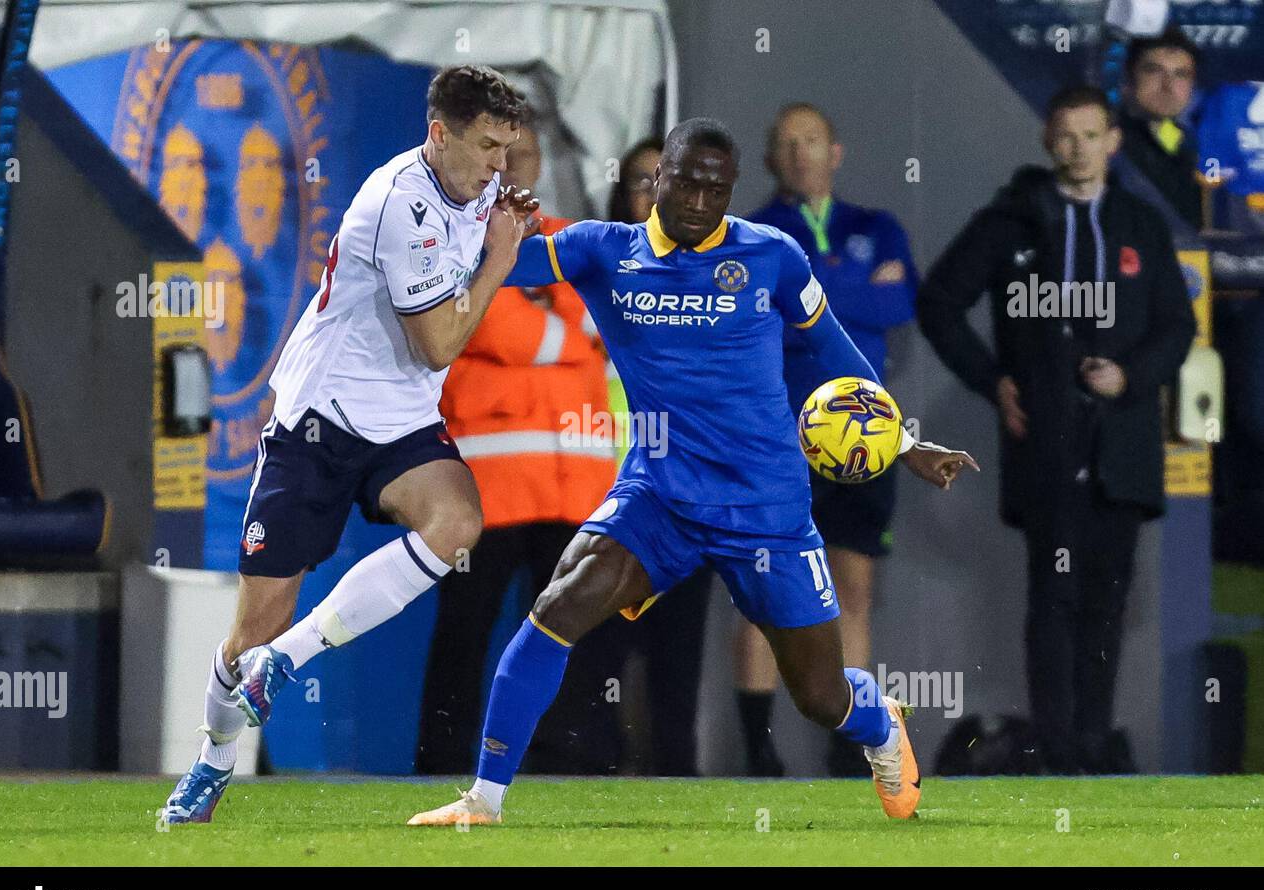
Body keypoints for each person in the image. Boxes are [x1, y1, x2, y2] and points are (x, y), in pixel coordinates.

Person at [406, 116, 978, 827]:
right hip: (659, 498)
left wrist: (903, 442)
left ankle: (879, 722)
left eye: (717, 189)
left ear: (731, 191)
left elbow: (835, 353)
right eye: (686, 182)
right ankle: (483, 799)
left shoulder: (772, 255)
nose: (700, 201)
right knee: (558, 608)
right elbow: (492, 272)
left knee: (821, 696)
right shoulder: (600, 249)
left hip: (764, 508)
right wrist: (482, 227)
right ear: (659, 179)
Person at [160, 65, 537, 823]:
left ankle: (289, 662)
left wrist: (503, 218)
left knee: (458, 522)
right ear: (440, 134)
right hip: (318, 419)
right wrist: (501, 258)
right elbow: (437, 344)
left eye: (509, 147)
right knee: (250, 630)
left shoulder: (482, 190)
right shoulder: (400, 201)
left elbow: (434, 344)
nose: (500, 164)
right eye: (488, 146)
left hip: (399, 420)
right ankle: (211, 761)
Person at [917, 85, 1195, 774]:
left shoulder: (1140, 224)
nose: (1079, 149)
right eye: (1066, 136)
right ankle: (1058, 754)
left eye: (1092, 135)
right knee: (1054, 601)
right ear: (1048, 139)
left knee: (1107, 606)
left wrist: (1130, 378)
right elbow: (939, 301)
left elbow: (1177, 326)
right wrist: (996, 381)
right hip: (1047, 446)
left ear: (1113, 141)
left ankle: (1095, 753)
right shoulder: (1014, 220)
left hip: (1121, 451)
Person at [415, 125, 617, 774]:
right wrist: (559, 328)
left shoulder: (567, 236)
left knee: (564, 633)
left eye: (524, 155)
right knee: (465, 635)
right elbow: (491, 330)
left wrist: (547, 324)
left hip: (572, 488)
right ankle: (443, 761)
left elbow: (601, 318)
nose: (512, 167)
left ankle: (562, 764)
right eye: (498, 155)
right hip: (486, 488)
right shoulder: (453, 241)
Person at [526, 136, 713, 777]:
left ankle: (676, 784)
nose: (649, 192)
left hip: (690, 500)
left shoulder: (711, 278)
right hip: (611, 503)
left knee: (675, 660)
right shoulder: (597, 268)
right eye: (637, 180)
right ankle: (580, 781)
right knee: (593, 656)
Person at [743, 103, 919, 777]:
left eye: (811, 140)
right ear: (769, 159)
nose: (799, 153)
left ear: (835, 151)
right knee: (764, 589)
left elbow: (898, 305)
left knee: (853, 586)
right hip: (778, 436)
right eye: (785, 143)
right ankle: (758, 747)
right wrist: (848, 291)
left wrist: (810, 297)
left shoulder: (877, 227)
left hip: (864, 436)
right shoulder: (754, 234)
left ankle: (851, 741)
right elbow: (764, 321)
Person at [1114, 26, 1202, 232]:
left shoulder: (1194, 144)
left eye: (1180, 74)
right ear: (1129, 78)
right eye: (1154, 71)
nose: (1168, 85)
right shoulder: (1104, 141)